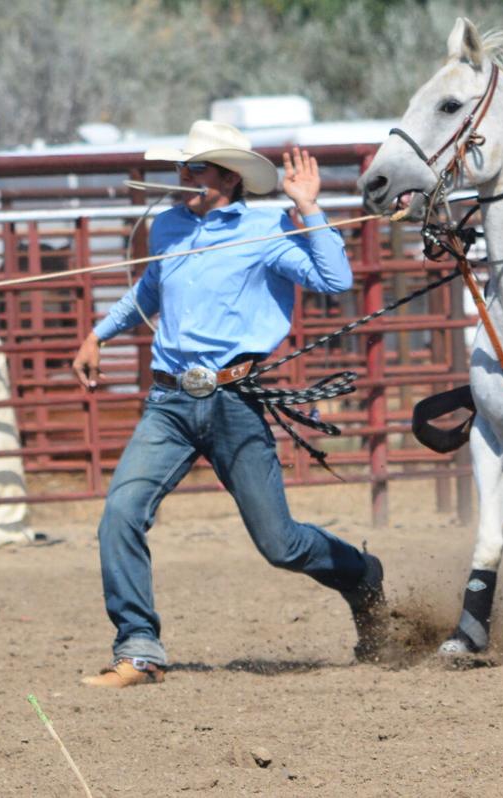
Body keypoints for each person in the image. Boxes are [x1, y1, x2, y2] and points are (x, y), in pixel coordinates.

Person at [72, 120, 385, 688]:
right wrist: (100, 334)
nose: (181, 176)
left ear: (227, 176)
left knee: (280, 543)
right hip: (168, 398)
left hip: (233, 398)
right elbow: (149, 290)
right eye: (181, 166)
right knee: (120, 514)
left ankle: (361, 574)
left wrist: (309, 211)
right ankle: (139, 648)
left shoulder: (265, 226)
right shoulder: (167, 226)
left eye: (193, 167)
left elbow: (332, 279)